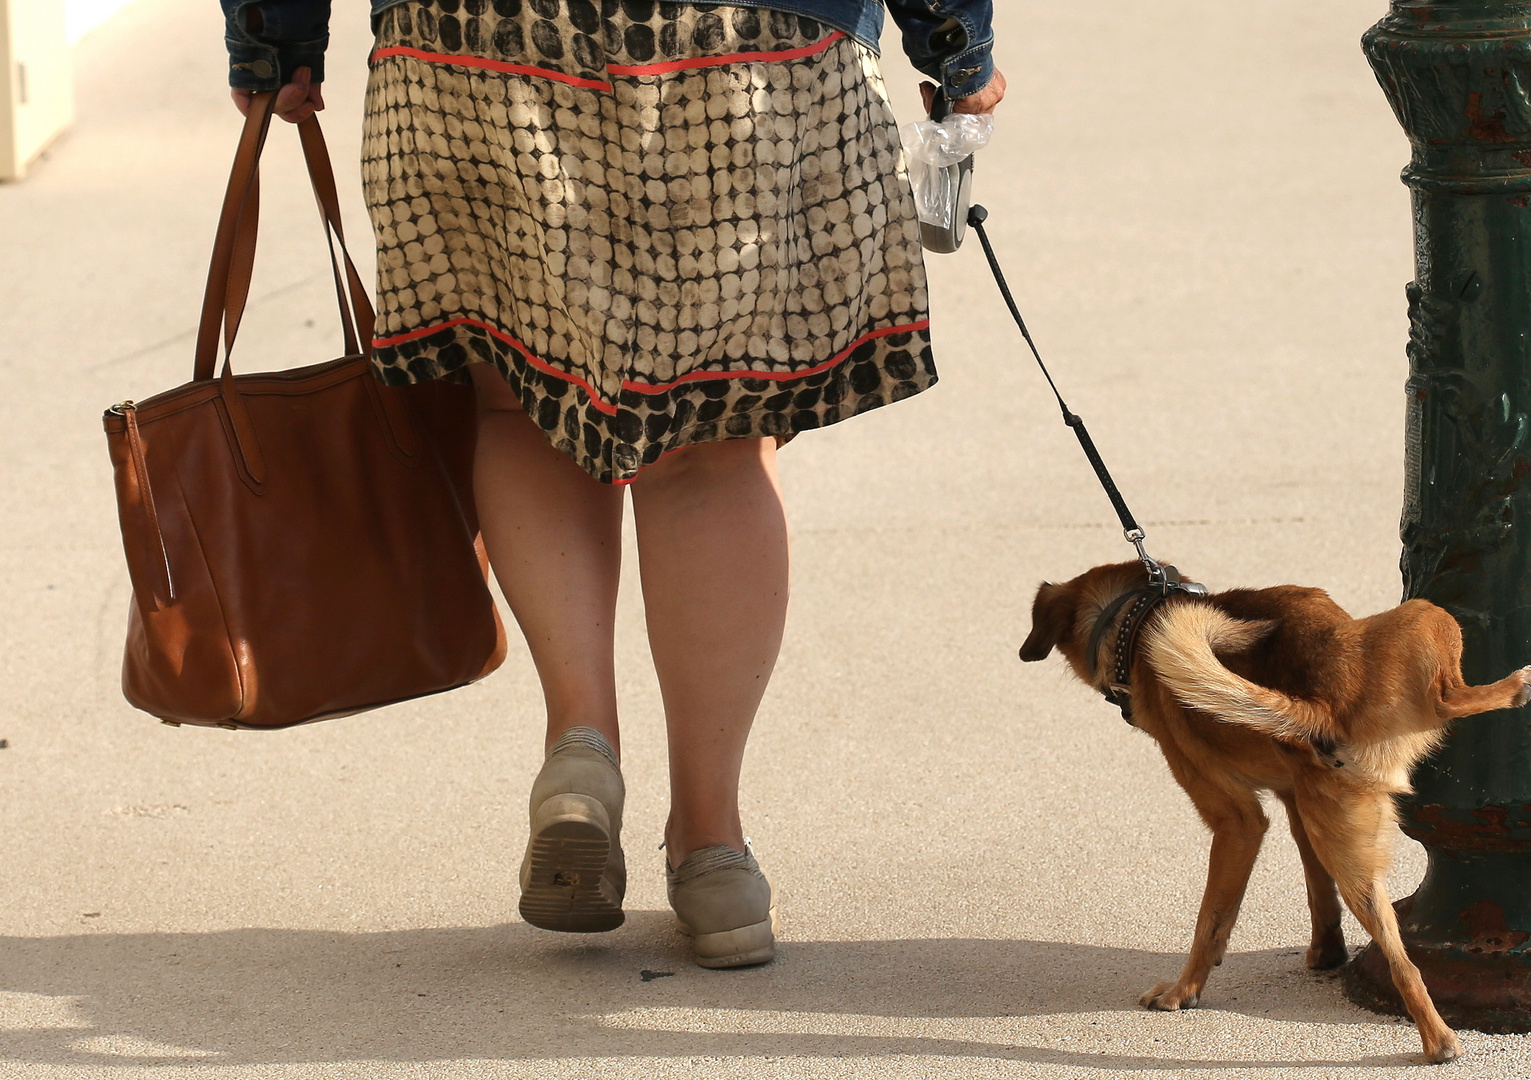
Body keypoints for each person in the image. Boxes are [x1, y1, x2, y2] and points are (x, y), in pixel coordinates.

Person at [220, 0, 1004, 968]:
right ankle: (712, 849)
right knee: (714, 438)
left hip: (470, 35)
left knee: (519, 398)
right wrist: (955, 46)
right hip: (741, 41)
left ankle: (581, 744)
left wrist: (273, 35)